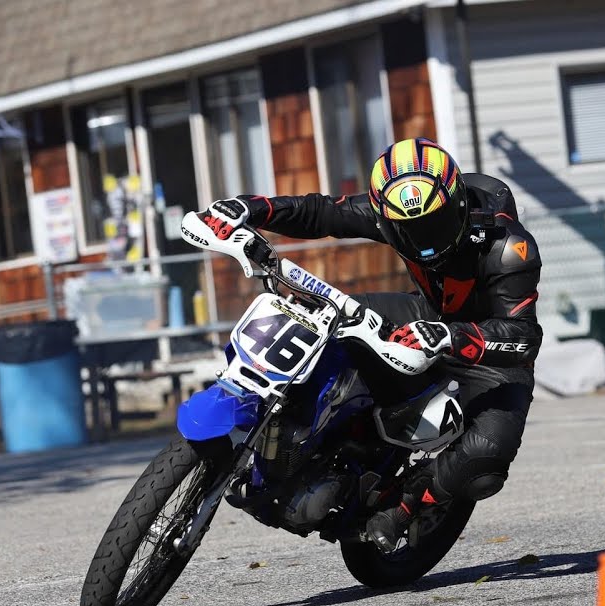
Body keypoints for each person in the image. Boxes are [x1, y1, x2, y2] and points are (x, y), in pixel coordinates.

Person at [185, 138, 541, 552]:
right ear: (385, 217)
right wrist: (253, 208)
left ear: (459, 205)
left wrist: (451, 337)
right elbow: (321, 212)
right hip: (426, 313)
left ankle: (404, 507)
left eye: (435, 223)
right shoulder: (387, 211)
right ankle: (290, 430)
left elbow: (524, 337)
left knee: (486, 457)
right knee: (323, 320)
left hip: (490, 350)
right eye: (406, 229)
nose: (423, 240)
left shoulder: (509, 248)